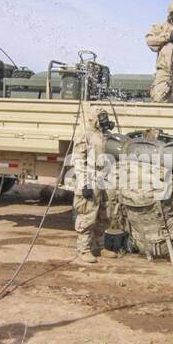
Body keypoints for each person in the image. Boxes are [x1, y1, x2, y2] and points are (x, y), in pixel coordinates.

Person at [71, 102, 113, 264]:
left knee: (104, 213)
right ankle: (84, 249)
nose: (104, 120)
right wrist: (84, 183)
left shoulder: (101, 133)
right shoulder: (85, 134)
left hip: (103, 175)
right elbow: (78, 159)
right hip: (89, 176)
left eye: (105, 116)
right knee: (88, 214)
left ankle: (99, 246)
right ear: (93, 118)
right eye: (101, 117)